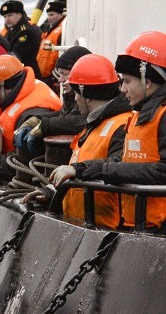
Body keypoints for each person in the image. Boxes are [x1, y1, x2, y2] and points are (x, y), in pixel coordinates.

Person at [53, 32, 166, 229]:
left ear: (147, 82)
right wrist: (80, 170)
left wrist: (104, 170)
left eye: (128, 81)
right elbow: (122, 161)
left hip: (157, 228)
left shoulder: (161, 116)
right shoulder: (140, 116)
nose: (122, 89)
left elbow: (162, 171)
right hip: (140, 225)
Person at [48, 55, 132, 226]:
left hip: (108, 231)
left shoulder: (122, 126)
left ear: (86, 94)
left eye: (77, 93)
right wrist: (51, 193)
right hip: (83, 225)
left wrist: (77, 170)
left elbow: (117, 164)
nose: (76, 99)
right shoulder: (94, 123)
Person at [0, 54, 62, 183]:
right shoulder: (21, 90)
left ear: (3, 86)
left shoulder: (32, 114)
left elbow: (24, 162)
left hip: (24, 175)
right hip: (4, 160)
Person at [14, 45, 92, 158]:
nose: (60, 79)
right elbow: (62, 114)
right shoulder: (72, 97)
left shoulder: (86, 101)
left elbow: (80, 121)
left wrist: (44, 126)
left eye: (64, 74)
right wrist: (35, 120)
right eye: (60, 74)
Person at [0, 1, 42, 78]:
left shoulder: (25, 31)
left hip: (27, 74)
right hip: (19, 73)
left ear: (19, 15)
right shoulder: (13, 30)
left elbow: (16, 56)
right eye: (5, 16)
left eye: (10, 15)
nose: (7, 19)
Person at [36, 1, 66, 86]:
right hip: (44, 76)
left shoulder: (61, 32)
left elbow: (63, 55)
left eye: (52, 15)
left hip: (53, 78)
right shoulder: (49, 31)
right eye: (48, 15)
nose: (49, 18)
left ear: (61, 14)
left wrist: (55, 76)